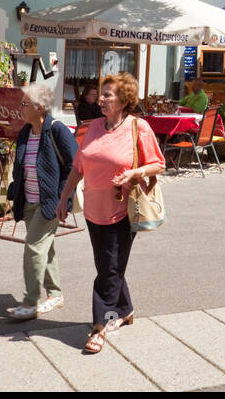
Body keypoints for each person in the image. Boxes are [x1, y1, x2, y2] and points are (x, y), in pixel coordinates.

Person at [56, 72, 165, 354]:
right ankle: (126, 309)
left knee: (109, 269)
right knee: (108, 266)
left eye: (107, 95)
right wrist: (64, 197)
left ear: (123, 100)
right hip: (94, 210)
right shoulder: (94, 127)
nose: (101, 99)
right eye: (101, 94)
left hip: (122, 211)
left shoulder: (138, 128)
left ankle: (100, 326)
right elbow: (79, 166)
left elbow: (158, 163)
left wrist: (134, 172)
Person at [7, 80, 79, 320]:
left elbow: (75, 165)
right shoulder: (26, 132)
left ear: (39, 107)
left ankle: (29, 302)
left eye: (24, 103)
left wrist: (62, 198)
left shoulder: (56, 130)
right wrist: (13, 193)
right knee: (44, 250)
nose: (20, 106)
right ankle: (55, 294)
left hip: (50, 202)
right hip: (28, 201)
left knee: (33, 248)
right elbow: (22, 168)